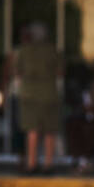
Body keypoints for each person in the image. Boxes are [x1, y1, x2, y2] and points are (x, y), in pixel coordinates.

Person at [9, 22, 61, 174]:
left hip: (29, 94)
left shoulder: (24, 51)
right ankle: (48, 164)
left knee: (32, 129)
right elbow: (60, 72)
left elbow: (17, 72)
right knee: (49, 130)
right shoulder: (53, 51)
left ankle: (31, 163)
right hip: (49, 93)